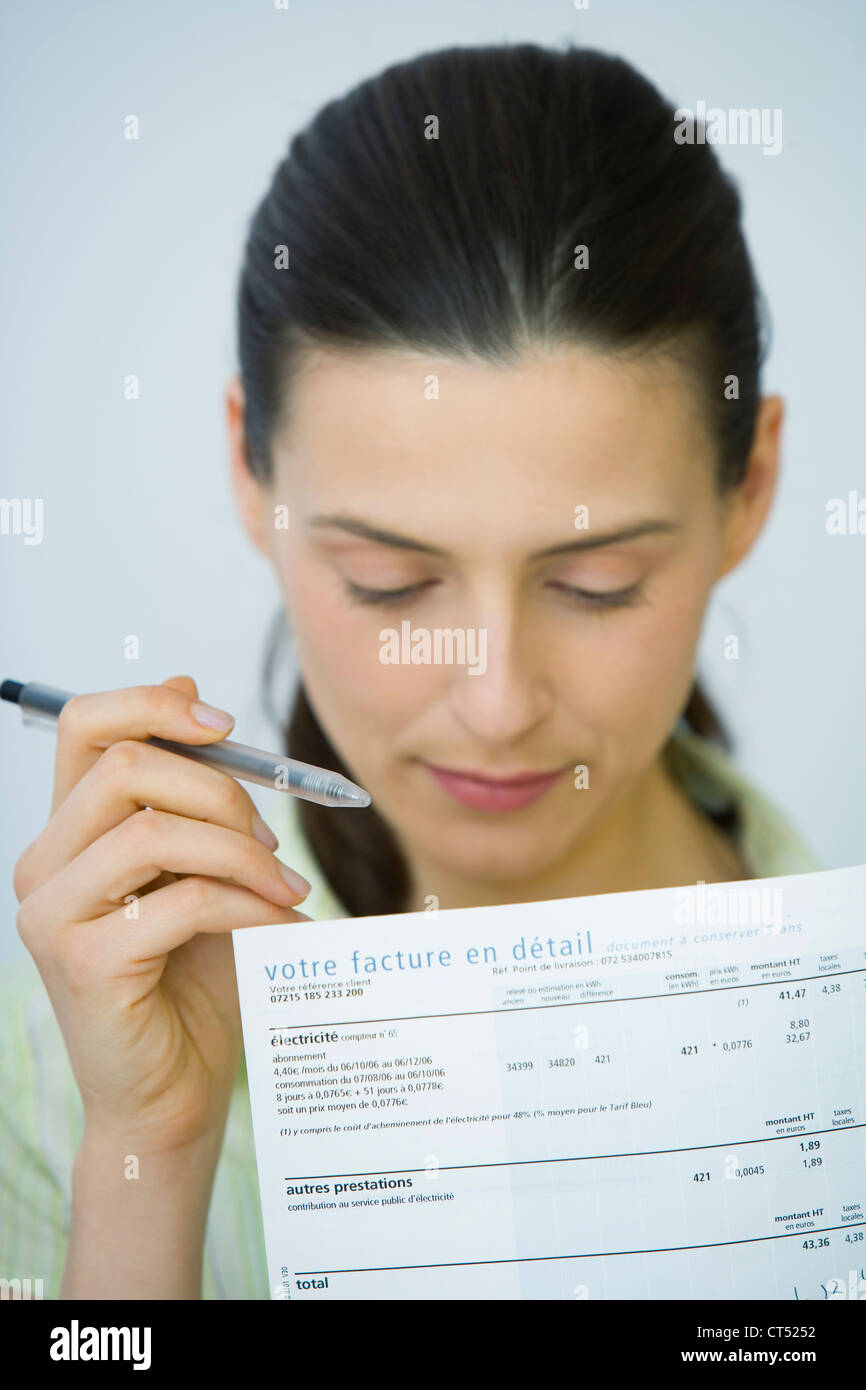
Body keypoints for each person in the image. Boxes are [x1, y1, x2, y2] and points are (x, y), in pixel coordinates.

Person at [0, 42, 818, 1300]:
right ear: (252, 469)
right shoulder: (51, 1074)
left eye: (596, 584)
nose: (493, 703)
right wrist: (147, 1161)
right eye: (386, 581)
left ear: (748, 485)